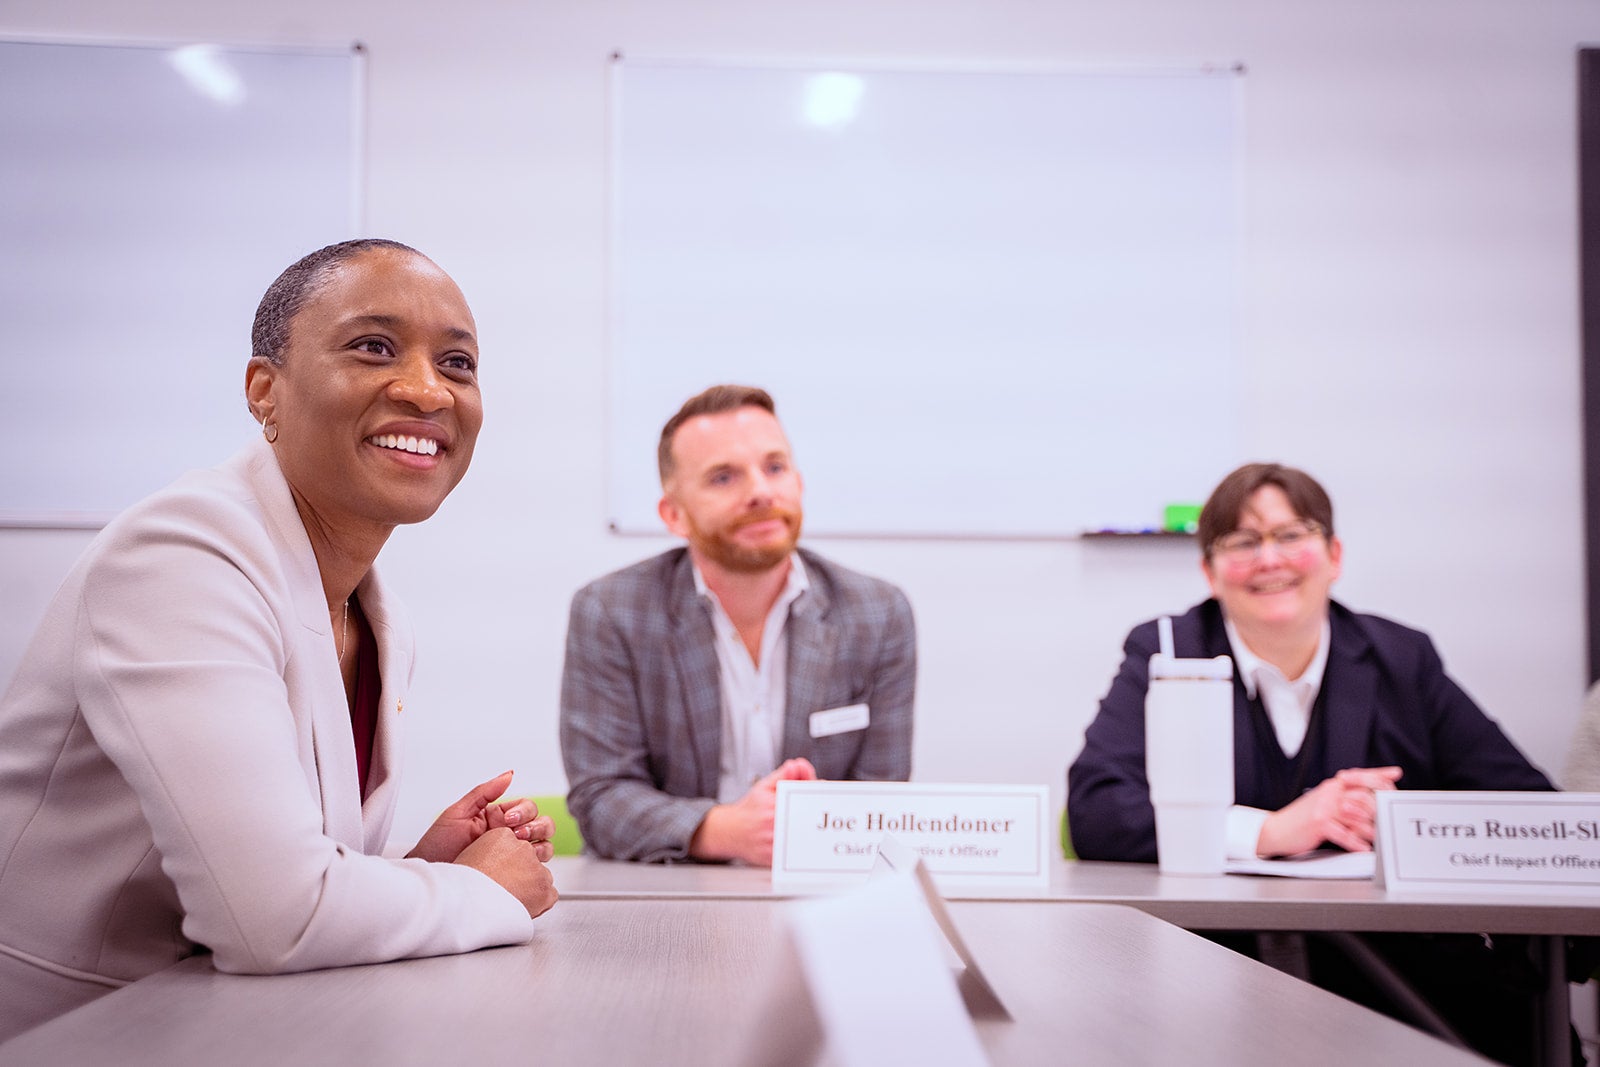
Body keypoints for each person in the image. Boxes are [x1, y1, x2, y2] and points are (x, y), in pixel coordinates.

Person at [0, 239, 558, 1041]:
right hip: (72, 1028)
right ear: (266, 390)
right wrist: (488, 889)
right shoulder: (181, 554)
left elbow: (280, 872)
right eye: (374, 347)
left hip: (230, 1020)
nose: (427, 389)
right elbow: (273, 919)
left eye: (459, 363)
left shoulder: (378, 613)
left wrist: (420, 872)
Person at [1067, 461, 1561, 1065]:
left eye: (1292, 535)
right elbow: (1095, 810)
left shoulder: (1401, 657)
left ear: (1334, 554)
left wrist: (1406, 823)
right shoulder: (1167, 650)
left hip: (1399, 995)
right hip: (1208, 979)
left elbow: (1531, 811)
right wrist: (1271, 831)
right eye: (1243, 542)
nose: (1269, 559)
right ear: (1209, 571)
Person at [560, 385, 916, 864]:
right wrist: (723, 831)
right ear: (674, 515)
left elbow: (882, 798)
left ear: (799, 482)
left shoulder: (878, 614)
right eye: (724, 477)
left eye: (775, 467)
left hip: (821, 891)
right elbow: (601, 798)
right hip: (664, 894)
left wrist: (809, 829)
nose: (761, 492)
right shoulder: (610, 611)